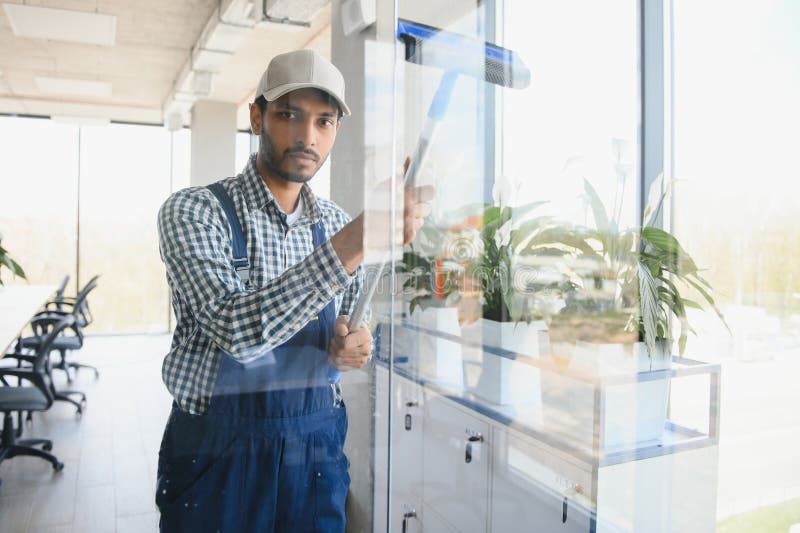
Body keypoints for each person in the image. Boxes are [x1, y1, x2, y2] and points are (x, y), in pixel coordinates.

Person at [155, 49, 433, 532]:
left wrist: (356, 346)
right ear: (257, 117)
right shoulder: (195, 212)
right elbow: (238, 333)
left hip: (314, 451)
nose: (308, 136)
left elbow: (355, 328)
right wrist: (358, 241)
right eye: (289, 115)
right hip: (217, 455)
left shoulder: (336, 223)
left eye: (324, 121)